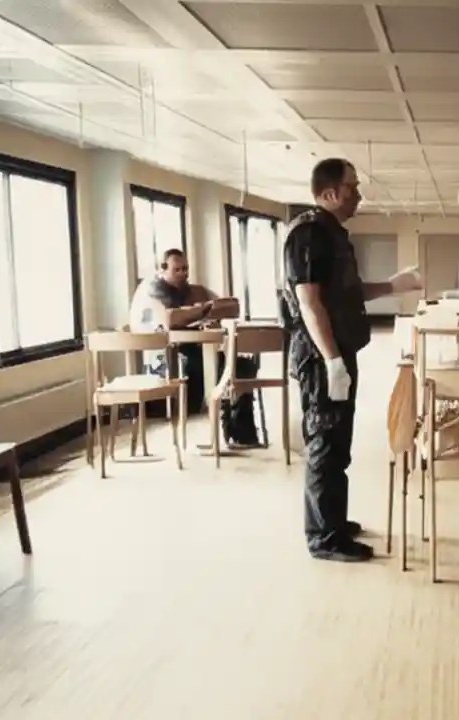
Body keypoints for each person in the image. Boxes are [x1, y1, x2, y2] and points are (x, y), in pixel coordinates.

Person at [282, 158, 422, 563]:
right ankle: (324, 538)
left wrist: (394, 285)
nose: (358, 194)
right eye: (352, 187)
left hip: (339, 351)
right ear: (329, 193)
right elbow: (309, 303)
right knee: (325, 441)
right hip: (321, 358)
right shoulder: (309, 233)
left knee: (338, 443)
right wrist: (332, 361)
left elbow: (346, 291)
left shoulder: (331, 233)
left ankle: (333, 521)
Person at [128, 248, 259, 446]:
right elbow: (169, 318)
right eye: (177, 270)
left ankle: (238, 428)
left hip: (195, 349)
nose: (183, 274)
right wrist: (203, 309)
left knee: (241, 366)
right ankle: (231, 423)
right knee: (225, 369)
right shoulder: (152, 290)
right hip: (167, 360)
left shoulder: (193, 290)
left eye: (185, 269)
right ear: (162, 269)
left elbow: (232, 306)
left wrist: (203, 310)